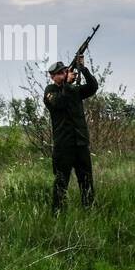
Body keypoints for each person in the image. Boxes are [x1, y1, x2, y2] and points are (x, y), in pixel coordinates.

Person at [43, 54, 98, 210]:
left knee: (86, 181)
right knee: (61, 182)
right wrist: (67, 84)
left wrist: (83, 69)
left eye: (65, 71)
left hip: (80, 143)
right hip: (63, 146)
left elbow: (93, 87)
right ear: (53, 77)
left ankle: (90, 211)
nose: (64, 74)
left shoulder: (74, 90)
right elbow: (59, 103)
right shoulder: (50, 91)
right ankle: (57, 213)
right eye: (60, 73)